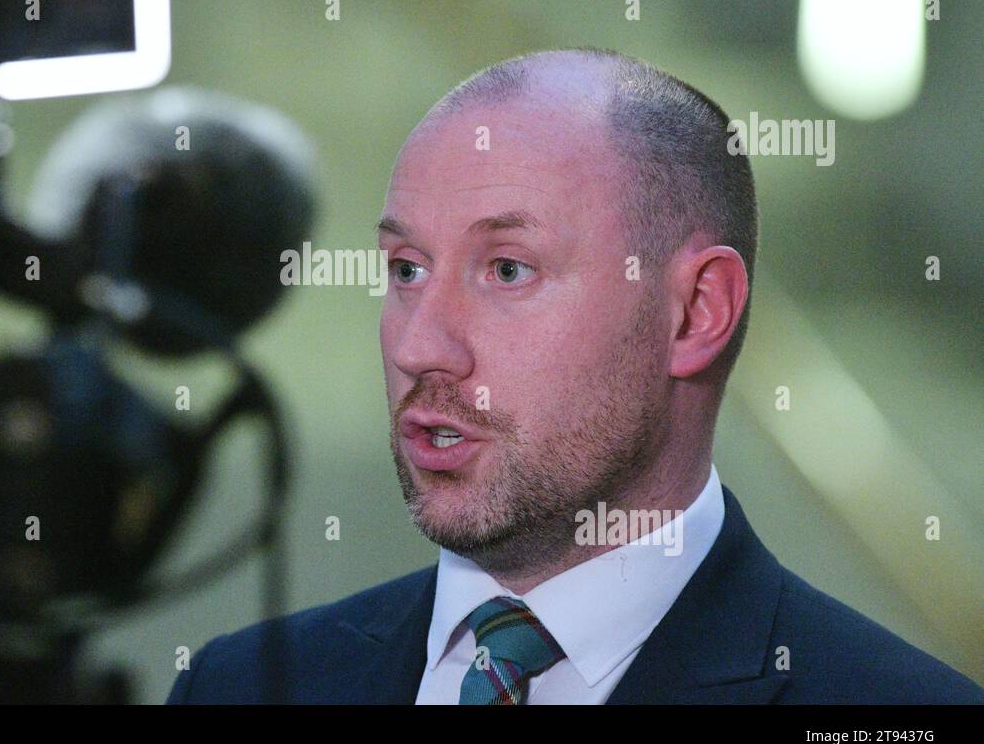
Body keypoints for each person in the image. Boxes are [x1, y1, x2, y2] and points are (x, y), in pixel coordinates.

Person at [166, 48, 983, 704]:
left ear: (698, 312)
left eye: (509, 270)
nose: (421, 347)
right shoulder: (240, 685)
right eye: (408, 269)